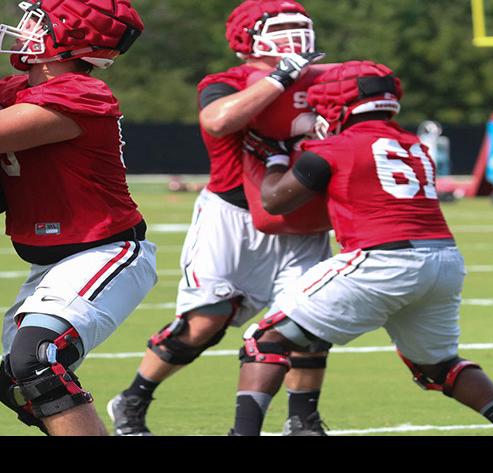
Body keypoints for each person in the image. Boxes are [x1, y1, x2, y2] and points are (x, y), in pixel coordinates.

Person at [232, 60, 493, 436]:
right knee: (440, 366)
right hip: (443, 260)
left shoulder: (336, 147)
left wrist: (277, 156)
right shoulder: (413, 144)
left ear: (340, 105)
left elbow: (275, 200)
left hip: (381, 260)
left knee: (264, 341)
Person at [0, 0, 157, 436]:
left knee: (37, 360)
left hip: (104, 249)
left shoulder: (78, 92)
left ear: (73, 38)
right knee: (16, 383)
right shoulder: (21, 88)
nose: (25, 27)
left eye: (38, 20)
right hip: (55, 260)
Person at [107, 0, 334, 436]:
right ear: (247, 38)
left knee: (308, 321)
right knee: (203, 325)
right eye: (281, 26)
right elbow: (218, 120)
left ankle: (303, 419)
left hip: (301, 217)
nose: (294, 35)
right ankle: (133, 399)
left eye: (299, 25)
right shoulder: (225, 82)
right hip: (233, 218)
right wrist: (282, 75)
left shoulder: (325, 80)